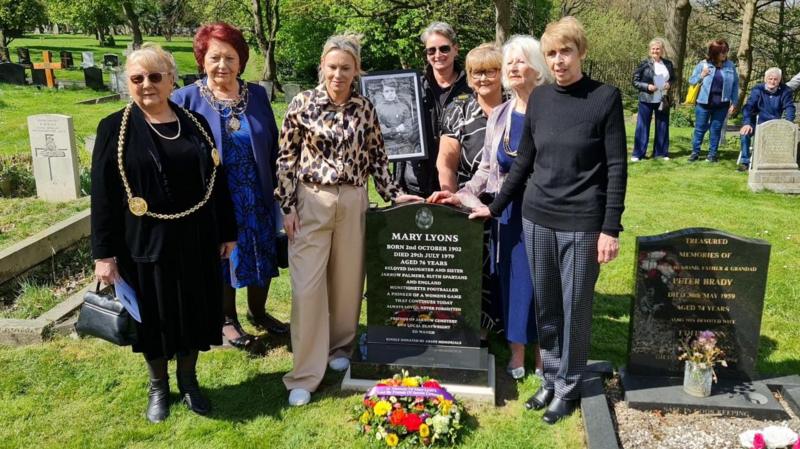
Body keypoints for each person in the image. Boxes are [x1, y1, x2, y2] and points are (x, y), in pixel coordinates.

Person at [471, 17, 627, 424]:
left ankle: (570, 387)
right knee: (548, 308)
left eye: (566, 52)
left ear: (581, 53)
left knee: (575, 307)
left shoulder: (605, 98)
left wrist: (610, 228)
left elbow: (616, 168)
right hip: (537, 218)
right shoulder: (540, 100)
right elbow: (524, 161)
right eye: (553, 53)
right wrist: (496, 205)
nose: (559, 61)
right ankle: (551, 378)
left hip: (582, 222)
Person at [91, 43, 237, 423]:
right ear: (128, 83)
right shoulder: (113, 130)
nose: (146, 85)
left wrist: (227, 231)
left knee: (195, 310)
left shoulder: (196, 125)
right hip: (143, 244)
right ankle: (159, 386)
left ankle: (188, 381)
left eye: (155, 76)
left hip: (197, 240)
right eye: (137, 78)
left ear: (172, 80)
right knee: (153, 318)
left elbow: (217, 183)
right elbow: (103, 198)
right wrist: (103, 255)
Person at [275, 34, 421, 407]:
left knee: (347, 281)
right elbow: (286, 158)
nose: (338, 74)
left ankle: (341, 346)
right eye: (332, 66)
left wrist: (392, 193)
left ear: (356, 70)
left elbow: (376, 156)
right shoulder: (302, 103)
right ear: (322, 66)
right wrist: (287, 206)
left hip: (354, 198)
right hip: (311, 198)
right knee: (307, 288)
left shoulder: (365, 107)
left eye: (346, 67)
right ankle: (306, 372)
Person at [429, 35, 552, 380]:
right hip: (505, 211)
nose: (511, 68)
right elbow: (485, 170)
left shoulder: (550, 107)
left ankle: (544, 356)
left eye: (517, 62)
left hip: (544, 208)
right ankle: (516, 352)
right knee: (514, 282)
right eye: (508, 62)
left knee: (544, 282)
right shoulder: (501, 113)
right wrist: (459, 194)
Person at [172, 22, 287, 352]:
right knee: (226, 257)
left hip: (257, 190)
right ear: (202, 60)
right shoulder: (186, 99)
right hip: (216, 198)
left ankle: (259, 311)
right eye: (214, 57)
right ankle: (226, 319)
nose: (222, 65)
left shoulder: (258, 95)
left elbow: (274, 144)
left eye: (230, 57)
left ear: (241, 61)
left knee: (261, 251)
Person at [394, 21, 471, 197]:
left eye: (444, 49)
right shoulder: (412, 89)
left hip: (461, 185)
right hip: (417, 183)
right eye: (431, 50)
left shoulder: (472, 89)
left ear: (455, 49)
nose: (438, 55)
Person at [437, 43, 504, 192]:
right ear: (469, 76)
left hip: (514, 199)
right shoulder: (457, 110)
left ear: (502, 72)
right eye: (477, 72)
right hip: (469, 201)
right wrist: (453, 200)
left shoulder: (516, 106)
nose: (483, 78)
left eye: (490, 71)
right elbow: (446, 165)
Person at [687, 39, 739, 163]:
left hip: (722, 104)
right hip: (704, 103)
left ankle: (712, 154)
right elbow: (691, 81)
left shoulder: (730, 66)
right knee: (700, 129)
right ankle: (695, 153)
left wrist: (734, 102)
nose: (724, 54)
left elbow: (735, 85)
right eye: (721, 52)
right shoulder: (703, 64)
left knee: (716, 129)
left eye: (725, 52)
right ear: (714, 53)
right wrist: (701, 75)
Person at [737, 67, 796, 172]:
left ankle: (776, 163)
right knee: (745, 133)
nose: (772, 82)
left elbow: (790, 107)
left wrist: (788, 123)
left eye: (775, 79)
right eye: (770, 79)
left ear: (779, 80)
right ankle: (745, 162)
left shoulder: (785, 91)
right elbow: (748, 107)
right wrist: (746, 123)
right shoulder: (757, 90)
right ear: (765, 79)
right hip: (757, 122)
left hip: (776, 123)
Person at [631, 38, 676, 161]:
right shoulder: (644, 63)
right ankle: (638, 154)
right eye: (653, 48)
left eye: (658, 49)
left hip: (662, 99)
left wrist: (669, 84)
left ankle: (661, 153)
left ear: (662, 50)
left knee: (662, 126)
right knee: (642, 126)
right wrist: (647, 86)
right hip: (646, 99)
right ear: (650, 50)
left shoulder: (668, 64)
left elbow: (673, 79)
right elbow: (635, 81)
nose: (655, 51)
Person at [374, 78, 417, 156]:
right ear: (382, 93)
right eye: (387, 91)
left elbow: (409, 128)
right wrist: (396, 129)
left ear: (395, 92)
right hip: (386, 144)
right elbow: (379, 128)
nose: (390, 93)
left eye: (392, 91)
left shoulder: (403, 107)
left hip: (403, 143)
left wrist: (403, 134)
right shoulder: (378, 108)